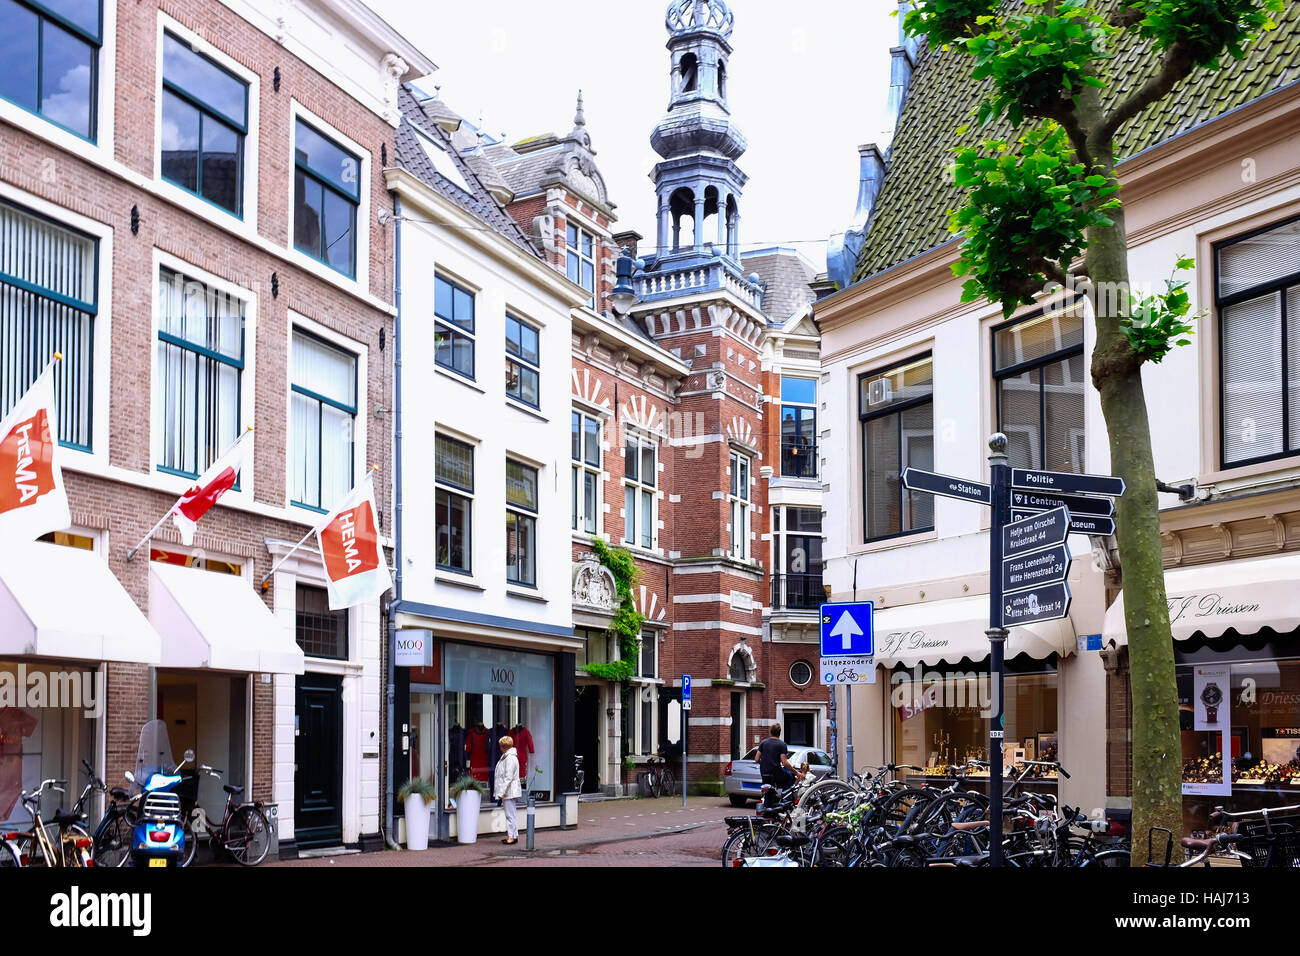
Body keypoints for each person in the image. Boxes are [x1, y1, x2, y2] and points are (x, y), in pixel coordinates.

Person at [493, 734, 522, 845]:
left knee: (510, 815)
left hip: (509, 791)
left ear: (504, 747)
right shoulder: (508, 757)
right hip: (510, 790)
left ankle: (511, 837)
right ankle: (513, 835)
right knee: (512, 814)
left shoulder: (509, 758)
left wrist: (500, 793)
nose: (499, 748)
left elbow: (507, 778)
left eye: (501, 746)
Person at [757, 723, 803, 791]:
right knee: (789, 776)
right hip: (776, 773)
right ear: (779, 733)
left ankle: (769, 799)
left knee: (767, 789)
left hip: (764, 773)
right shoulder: (782, 744)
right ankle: (786, 798)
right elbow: (784, 763)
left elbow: (756, 759)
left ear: (770, 732)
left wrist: (765, 764)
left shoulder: (763, 743)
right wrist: (796, 772)